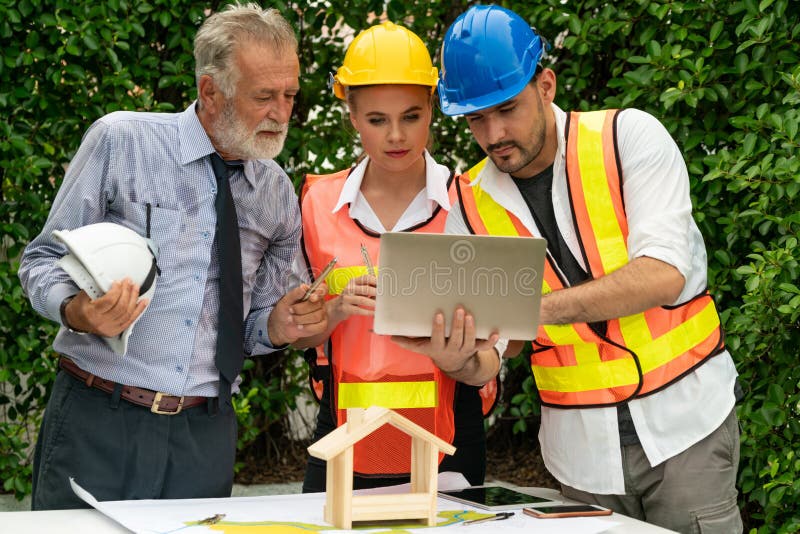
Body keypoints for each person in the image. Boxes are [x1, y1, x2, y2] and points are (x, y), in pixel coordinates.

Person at [413, 5, 742, 533]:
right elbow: (496, 353)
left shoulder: (629, 138)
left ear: (546, 85)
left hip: (687, 428)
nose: (494, 133)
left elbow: (663, 273)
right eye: (476, 118)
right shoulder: (467, 207)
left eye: (507, 109)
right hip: (581, 454)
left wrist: (526, 308)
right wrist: (459, 362)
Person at [17, 3, 327, 510]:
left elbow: (253, 331)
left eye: (290, 94)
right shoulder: (122, 141)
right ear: (211, 91)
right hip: (100, 417)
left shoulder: (275, 192)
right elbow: (42, 259)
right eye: (264, 96)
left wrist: (283, 324)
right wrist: (79, 311)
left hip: (204, 435)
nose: (282, 112)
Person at [292, 21, 503, 493]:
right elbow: (300, 336)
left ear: (432, 109)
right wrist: (337, 308)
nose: (395, 136)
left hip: (450, 430)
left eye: (411, 116)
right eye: (376, 119)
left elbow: (497, 346)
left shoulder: (473, 203)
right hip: (343, 427)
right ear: (351, 115)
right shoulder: (316, 203)